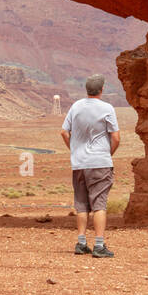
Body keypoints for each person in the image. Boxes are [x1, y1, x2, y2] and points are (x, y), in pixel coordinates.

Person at [60, 74, 120, 258]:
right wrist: (107, 154)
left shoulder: (76, 106)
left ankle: (81, 243)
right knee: (99, 204)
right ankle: (99, 246)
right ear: (102, 90)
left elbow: (63, 132)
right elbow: (116, 137)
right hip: (99, 163)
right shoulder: (107, 108)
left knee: (81, 204)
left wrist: (74, 150)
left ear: (87, 90)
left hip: (79, 164)